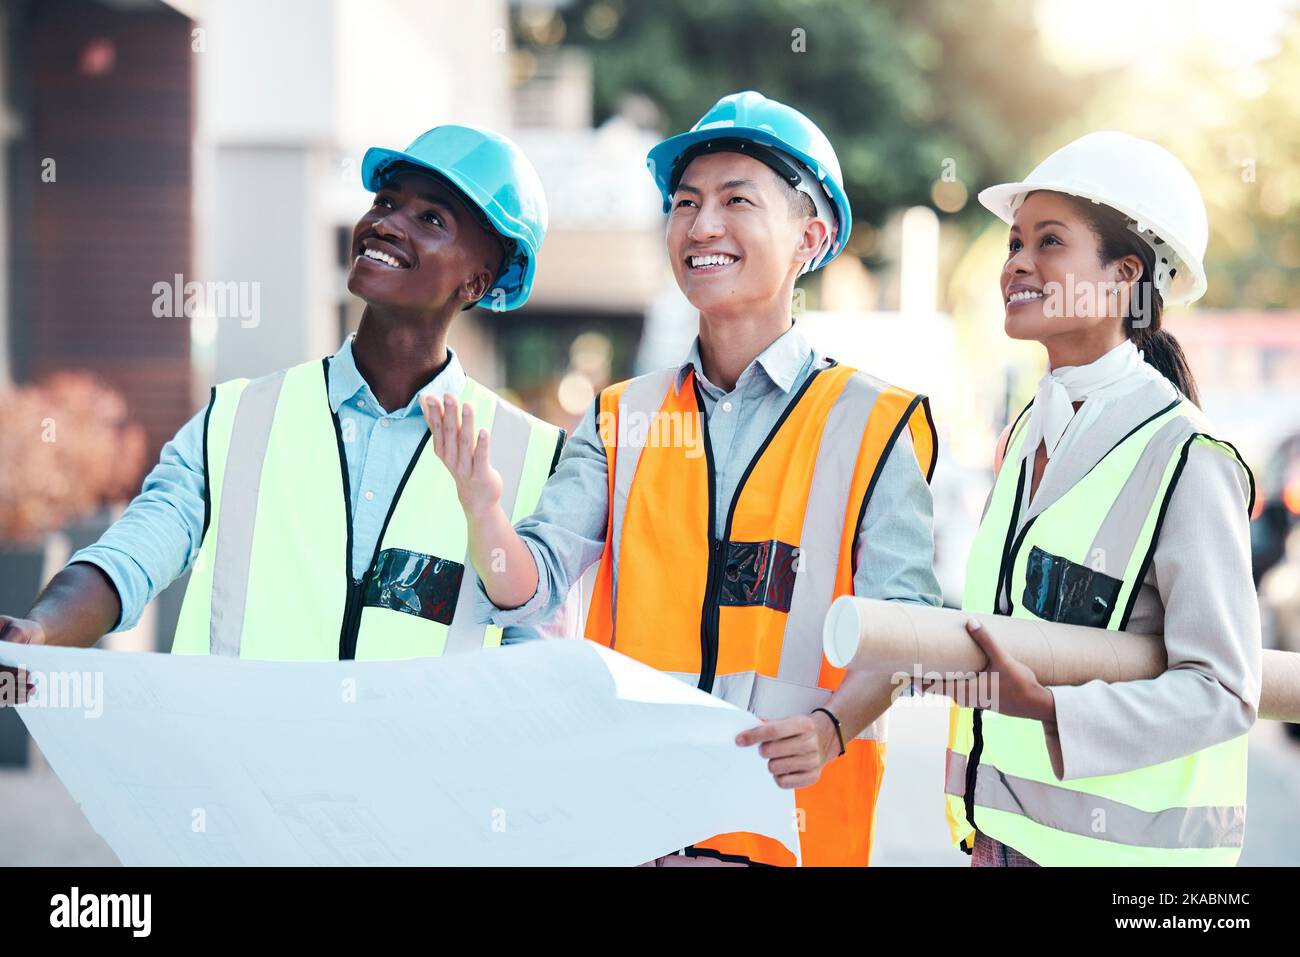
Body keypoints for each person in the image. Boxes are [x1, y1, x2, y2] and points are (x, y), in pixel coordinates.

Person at [423, 91, 941, 867]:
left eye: (738, 200)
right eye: (685, 202)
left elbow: (906, 630)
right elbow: (528, 585)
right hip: (638, 834)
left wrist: (834, 727)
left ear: (811, 234)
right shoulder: (619, 417)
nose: (702, 226)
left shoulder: (875, 423)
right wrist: (484, 514)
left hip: (789, 836)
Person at [0, 124, 575, 670]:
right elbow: (131, 555)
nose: (387, 223)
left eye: (430, 218)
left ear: (477, 281)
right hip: (238, 769)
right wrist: (41, 631)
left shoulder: (532, 459)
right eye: (385, 203)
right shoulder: (239, 419)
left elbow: (530, 671)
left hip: (422, 775)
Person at [940, 132, 1260, 866]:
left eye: (1049, 242)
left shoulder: (1188, 460)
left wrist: (1057, 711)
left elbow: (1223, 689)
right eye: (1015, 241)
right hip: (1002, 843)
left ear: (1124, 279)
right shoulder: (1027, 432)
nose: (1016, 262)